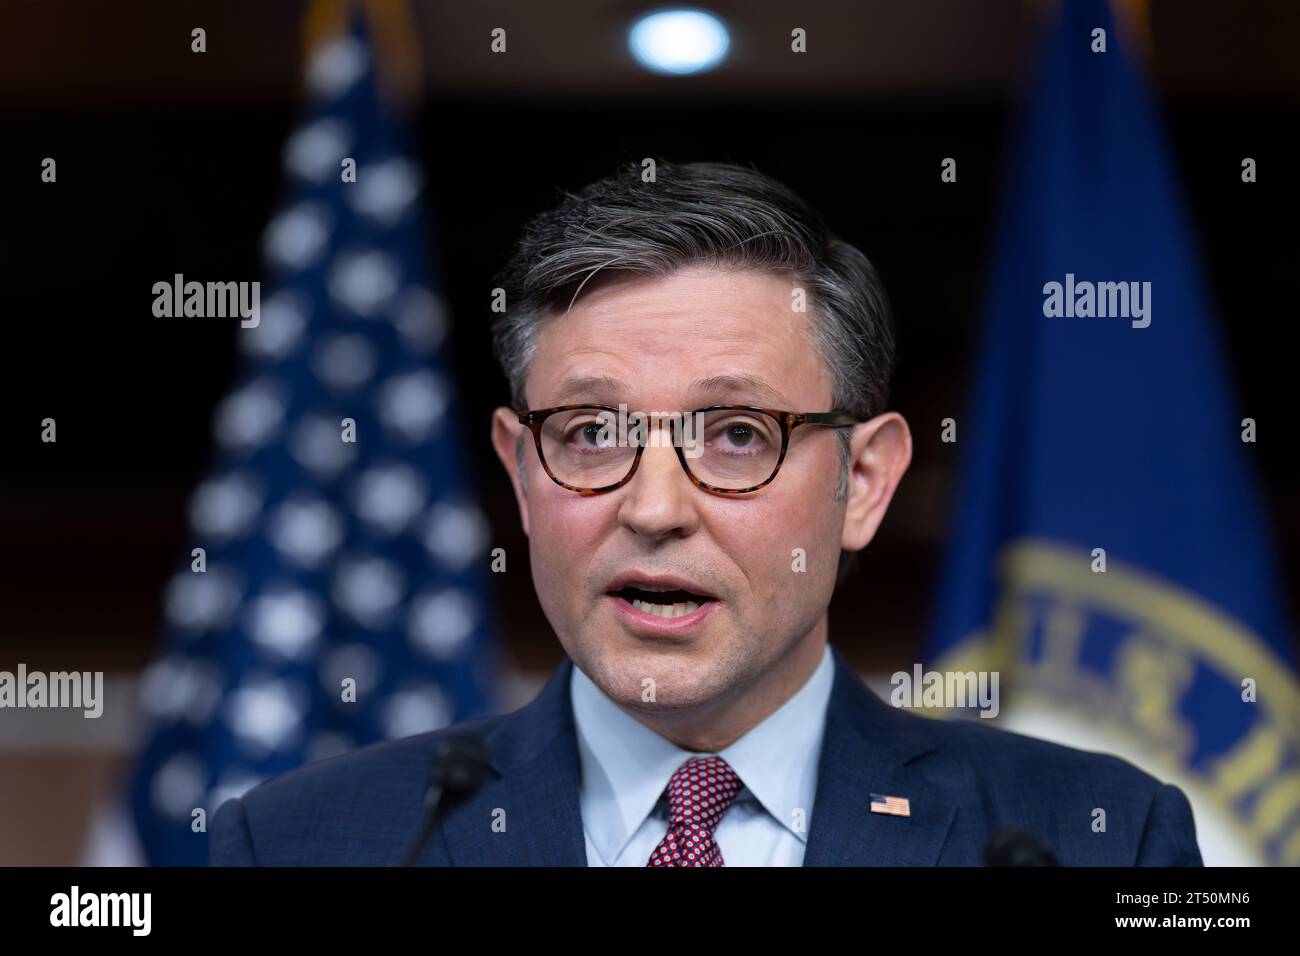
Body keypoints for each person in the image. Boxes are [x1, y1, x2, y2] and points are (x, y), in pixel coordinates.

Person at [210, 160, 1202, 866]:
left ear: (862, 480)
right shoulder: (302, 841)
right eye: (591, 432)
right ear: (519, 472)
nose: (652, 507)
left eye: (735, 435)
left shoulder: (1093, 835)